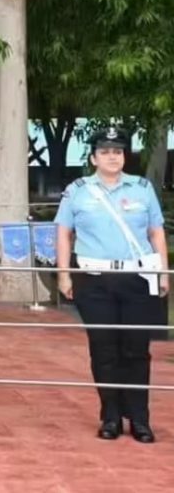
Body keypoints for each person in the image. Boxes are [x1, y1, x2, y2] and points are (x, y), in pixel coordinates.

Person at [55, 126, 168, 443]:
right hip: (95, 280)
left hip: (136, 278)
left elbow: (156, 232)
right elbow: (64, 233)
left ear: (124, 156)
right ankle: (111, 417)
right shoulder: (77, 190)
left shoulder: (142, 188)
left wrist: (163, 273)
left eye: (117, 151)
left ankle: (140, 420)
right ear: (93, 157)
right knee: (103, 349)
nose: (112, 157)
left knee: (136, 350)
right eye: (105, 152)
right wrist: (64, 274)